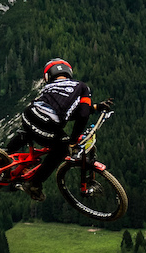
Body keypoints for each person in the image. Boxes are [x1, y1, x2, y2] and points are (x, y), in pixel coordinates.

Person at [6, 58, 95, 200]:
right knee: (62, 148)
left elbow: (65, 110)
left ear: (48, 76)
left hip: (29, 114)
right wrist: (72, 141)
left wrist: (94, 108)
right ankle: (34, 184)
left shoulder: (50, 87)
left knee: (33, 131)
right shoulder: (82, 87)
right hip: (47, 123)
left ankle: (3, 154)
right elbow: (82, 114)